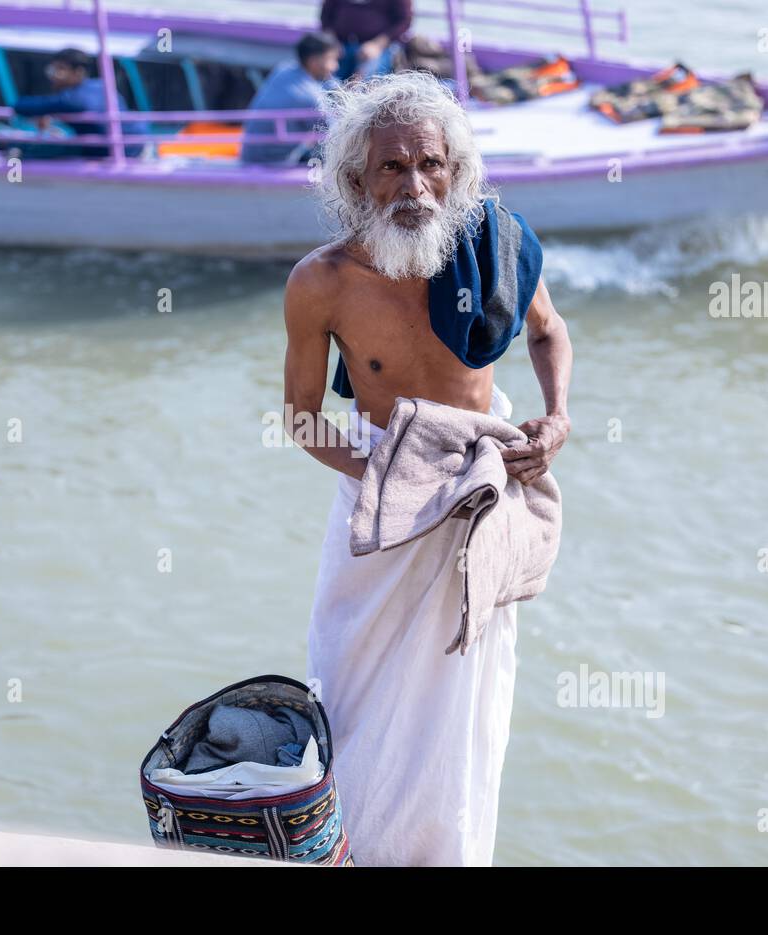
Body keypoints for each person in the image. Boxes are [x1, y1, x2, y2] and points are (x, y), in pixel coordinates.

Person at [283, 72, 573, 866]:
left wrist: (555, 419)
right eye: (391, 167)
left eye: (431, 164)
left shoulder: (496, 244)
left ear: (455, 168)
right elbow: (301, 416)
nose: (415, 185)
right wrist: (378, 471)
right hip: (376, 498)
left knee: (461, 706)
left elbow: (549, 333)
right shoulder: (322, 282)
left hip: (479, 492)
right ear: (355, 179)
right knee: (350, 681)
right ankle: (343, 850)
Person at [12, 47, 149, 160]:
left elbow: (21, 106)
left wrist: (45, 112)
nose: (53, 75)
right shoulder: (101, 86)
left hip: (110, 151)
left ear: (78, 72)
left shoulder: (72, 99)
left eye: (60, 70)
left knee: (26, 150)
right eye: (52, 70)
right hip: (136, 146)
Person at [240, 32, 340, 165]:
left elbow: (327, 84)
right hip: (274, 162)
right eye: (331, 60)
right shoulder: (310, 98)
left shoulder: (284, 70)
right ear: (314, 62)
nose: (336, 66)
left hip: (249, 154)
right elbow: (337, 134)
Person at [319, 0, 412, 81]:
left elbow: (404, 21)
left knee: (365, 79)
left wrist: (377, 45)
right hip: (340, 44)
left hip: (380, 47)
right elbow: (326, 16)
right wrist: (332, 43)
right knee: (326, 78)